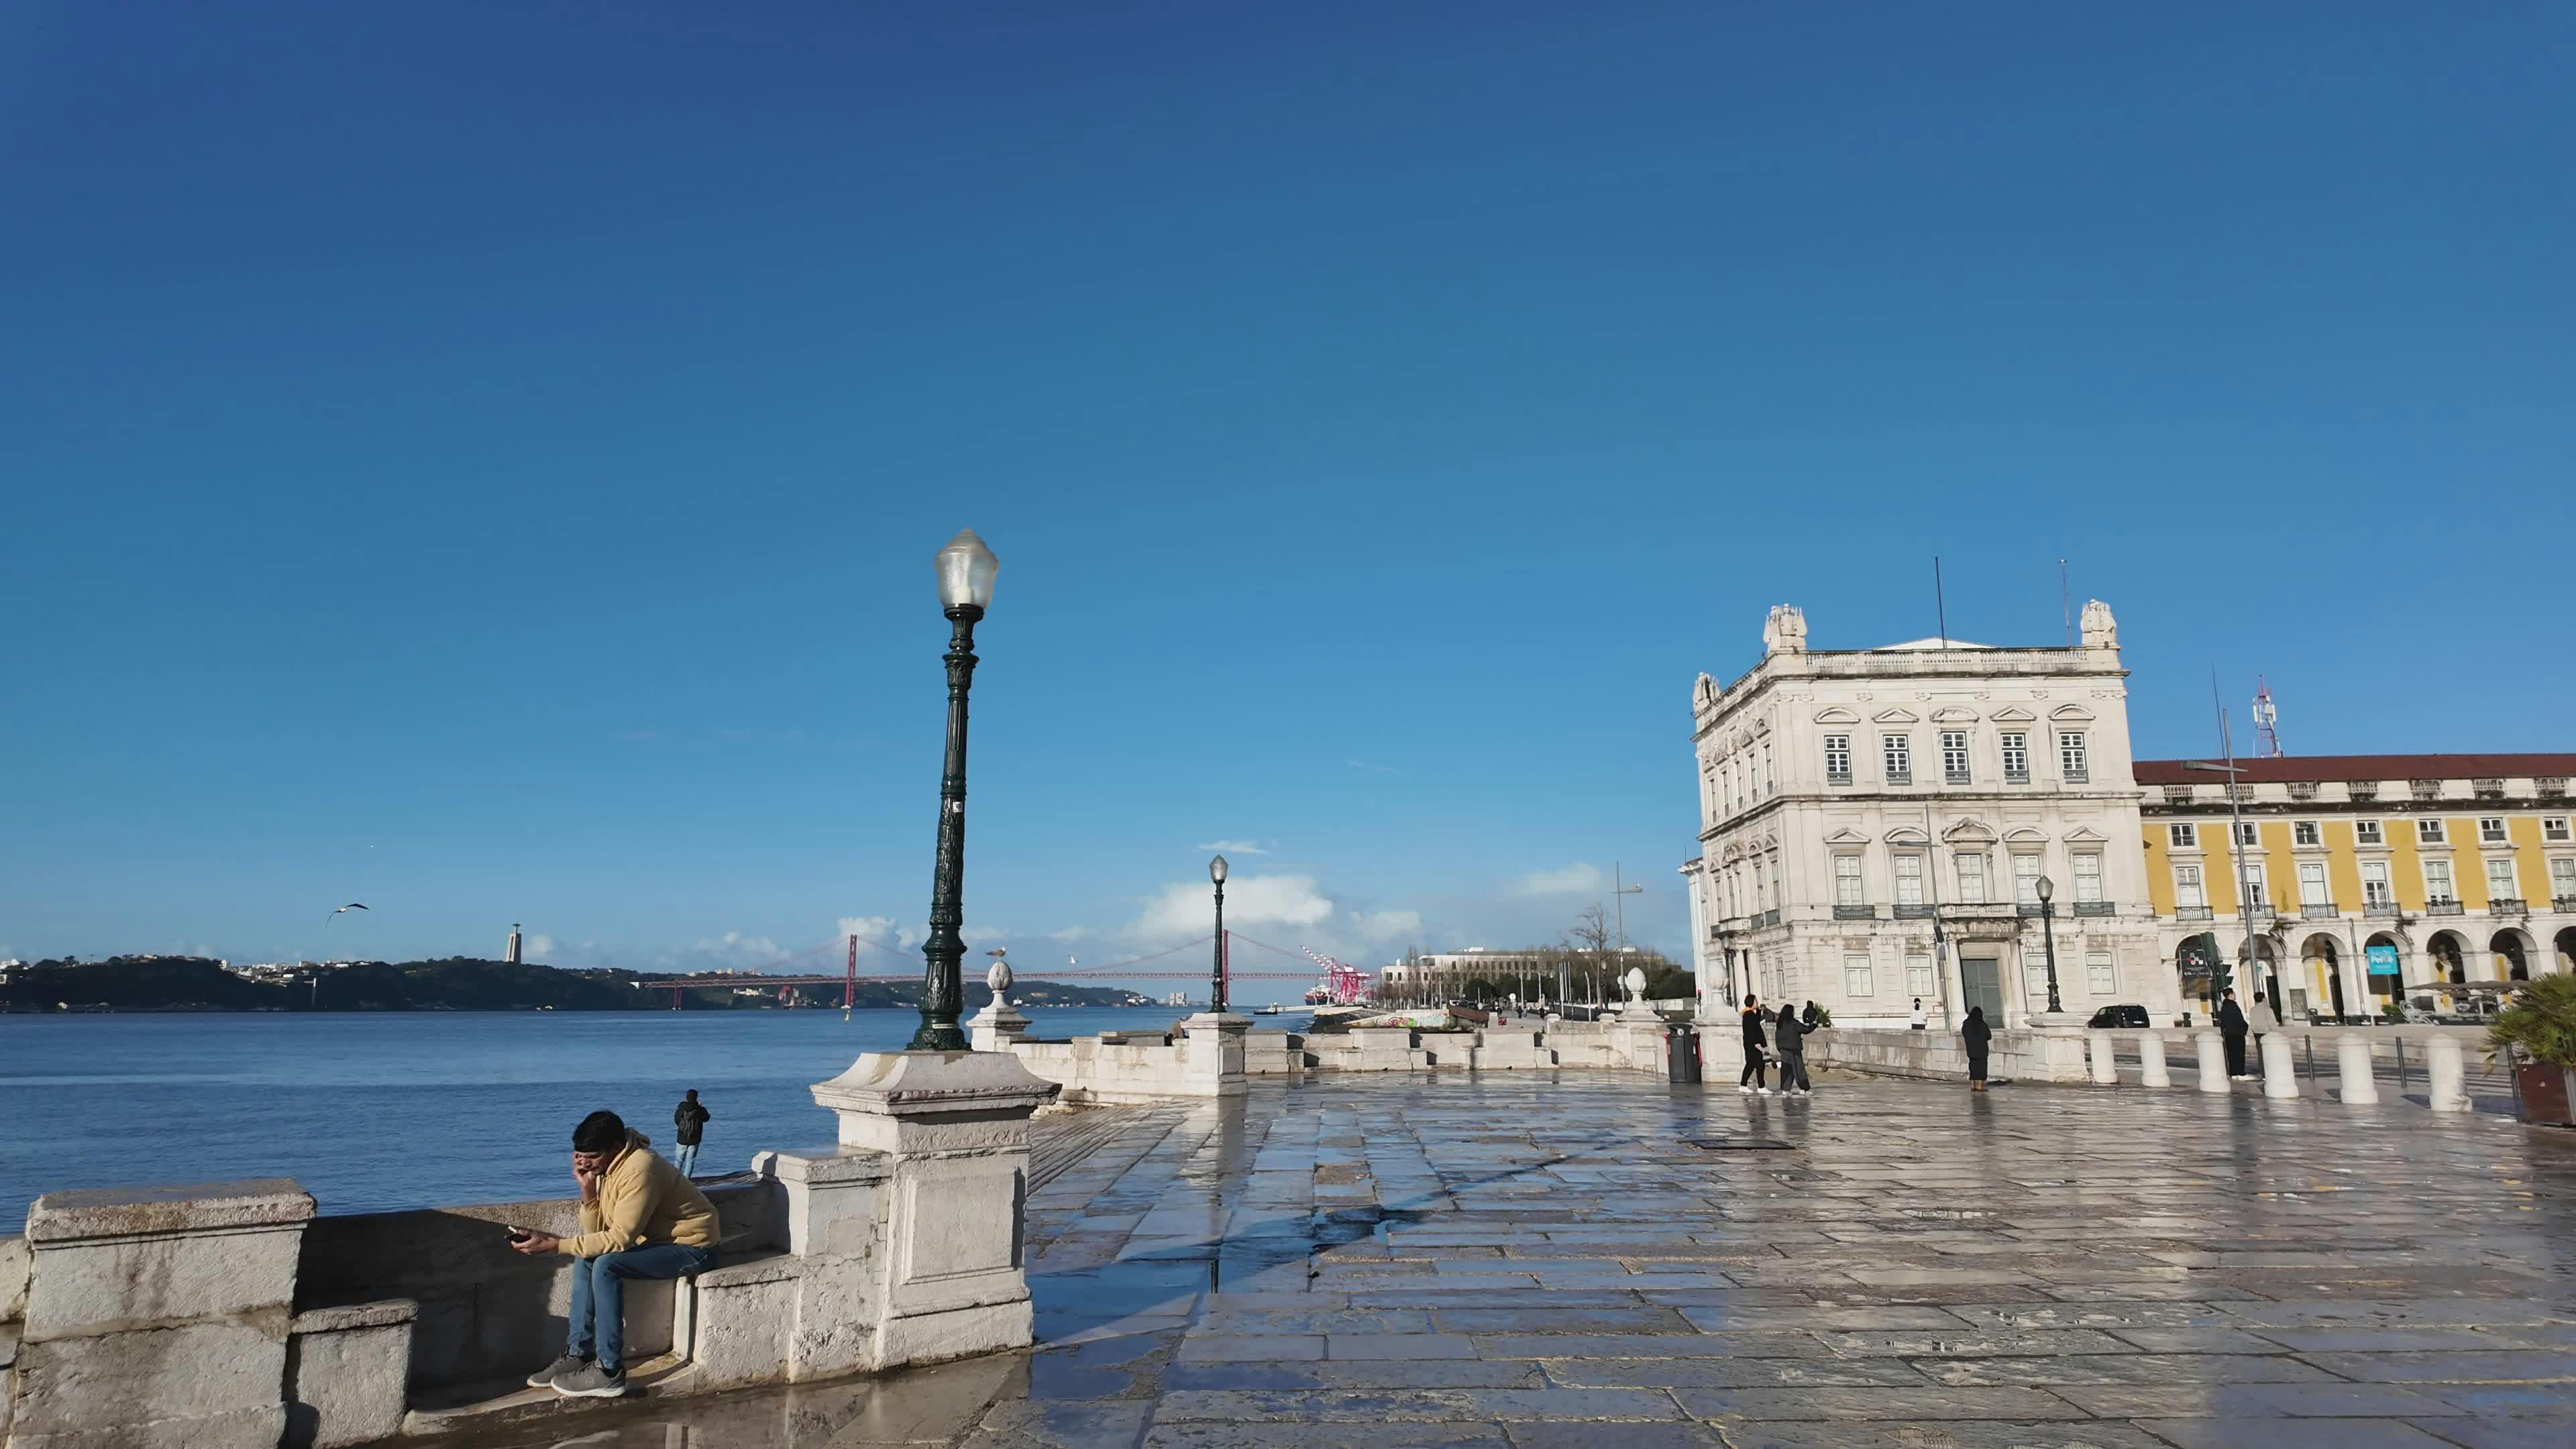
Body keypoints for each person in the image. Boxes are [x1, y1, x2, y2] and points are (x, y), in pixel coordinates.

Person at [515, 1110, 720, 1399]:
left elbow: (619, 1239)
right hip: (660, 1244)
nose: (586, 1163)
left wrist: (555, 1245)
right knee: (587, 1258)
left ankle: (609, 1371)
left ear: (615, 1147)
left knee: (607, 1265)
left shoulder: (640, 1168)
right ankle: (578, 1353)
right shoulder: (607, 1167)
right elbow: (597, 1231)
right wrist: (588, 1191)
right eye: (580, 1156)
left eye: (593, 1156)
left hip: (695, 1248)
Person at [1774, 1002, 1811, 1097]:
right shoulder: (1794, 1023)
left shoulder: (1780, 1023)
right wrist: (1814, 1025)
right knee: (1799, 1069)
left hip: (1783, 1049)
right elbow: (1805, 1030)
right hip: (1794, 1048)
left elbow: (1777, 1037)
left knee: (1786, 1070)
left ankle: (1786, 1090)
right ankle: (1804, 1089)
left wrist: (1780, 1048)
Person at [673, 1089, 710, 1178]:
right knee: (690, 1161)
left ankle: (675, 1179)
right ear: (696, 1098)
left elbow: (677, 1121)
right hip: (695, 1138)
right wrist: (701, 1107)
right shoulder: (700, 1109)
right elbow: (706, 1118)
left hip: (682, 1137)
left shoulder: (681, 1109)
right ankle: (686, 1180)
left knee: (678, 1161)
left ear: (687, 1097)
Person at [1738, 994, 1770, 1095]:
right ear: (1752, 1002)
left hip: (1750, 1044)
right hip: (1753, 1044)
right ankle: (1761, 1086)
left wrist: (1758, 1011)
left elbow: (1756, 1022)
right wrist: (1757, 1043)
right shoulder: (1749, 1014)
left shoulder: (1749, 1014)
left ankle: (1743, 1085)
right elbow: (1752, 1030)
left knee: (1751, 1065)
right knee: (1759, 1065)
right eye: (1756, 1000)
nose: (1757, 1002)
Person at [2217, 989, 2251, 1079]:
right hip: (2237, 1033)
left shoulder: (2224, 1007)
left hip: (2229, 1034)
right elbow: (2240, 1020)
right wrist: (2245, 1029)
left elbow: (2222, 1022)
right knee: (2239, 1054)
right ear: (2231, 995)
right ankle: (2240, 1072)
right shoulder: (2234, 1006)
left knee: (2231, 1054)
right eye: (2234, 993)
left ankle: (2234, 1072)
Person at [1963, 1004, 1992, 1091]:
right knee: (1982, 1068)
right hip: (1982, 1050)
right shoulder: (1982, 1024)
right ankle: (1980, 1086)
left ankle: (1973, 1086)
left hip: (1971, 1050)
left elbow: (1964, 1034)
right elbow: (1989, 1036)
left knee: (1973, 1068)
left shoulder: (1966, 1024)